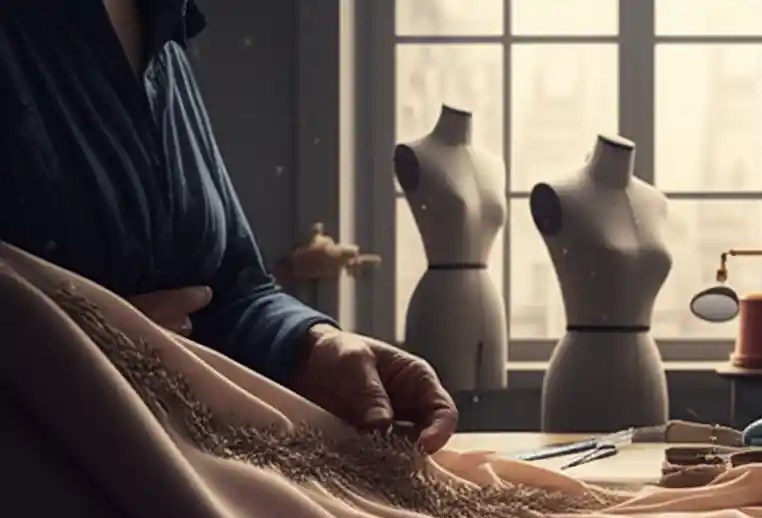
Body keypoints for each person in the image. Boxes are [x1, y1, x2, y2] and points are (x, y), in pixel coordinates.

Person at [0, 1, 458, 453]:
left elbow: (231, 289)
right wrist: (70, 346)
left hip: (174, 472)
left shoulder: (166, 30)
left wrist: (314, 348)